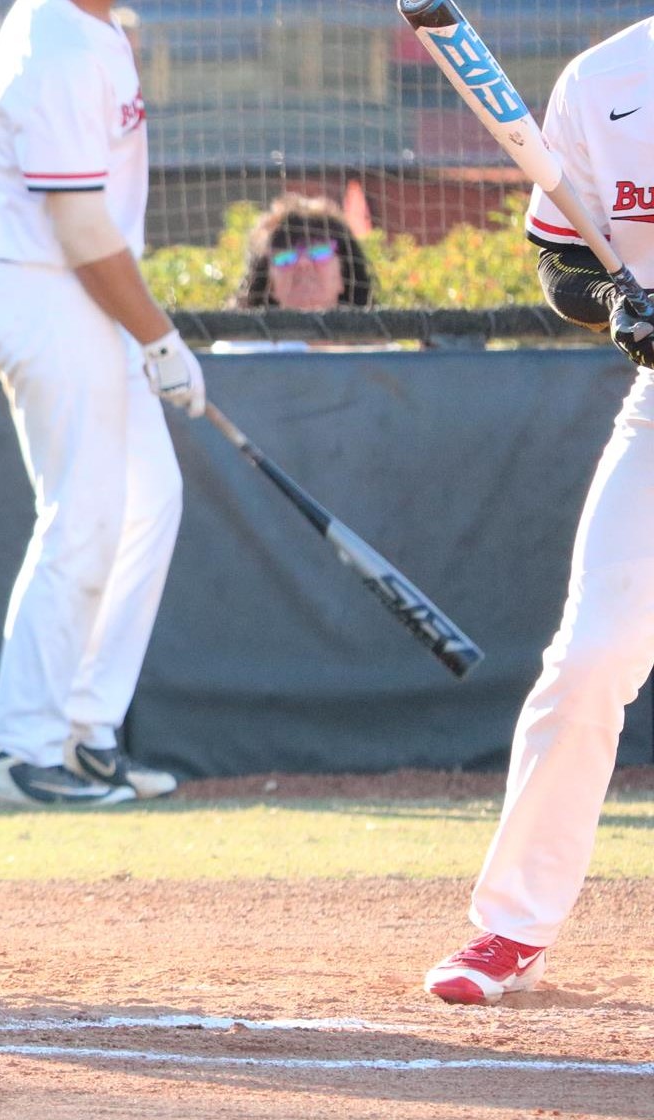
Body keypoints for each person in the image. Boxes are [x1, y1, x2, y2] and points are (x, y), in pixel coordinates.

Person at [424, 16, 654, 1006]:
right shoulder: (602, 80)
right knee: (590, 656)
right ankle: (508, 926)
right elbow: (558, 259)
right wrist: (610, 304)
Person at [0, 0, 192, 807]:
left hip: (82, 296)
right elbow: (79, 222)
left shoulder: (99, 28)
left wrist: (142, 334)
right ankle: (21, 752)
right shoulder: (52, 46)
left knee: (150, 503)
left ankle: (84, 733)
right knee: (84, 516)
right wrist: (158, 336)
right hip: (46, 289)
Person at [232, 194, 375, 312]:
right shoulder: (241, 346)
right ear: (269, 283)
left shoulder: (378, 345)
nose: (303, 263)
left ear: (345, 273)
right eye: (286, 258)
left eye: (319, 252)